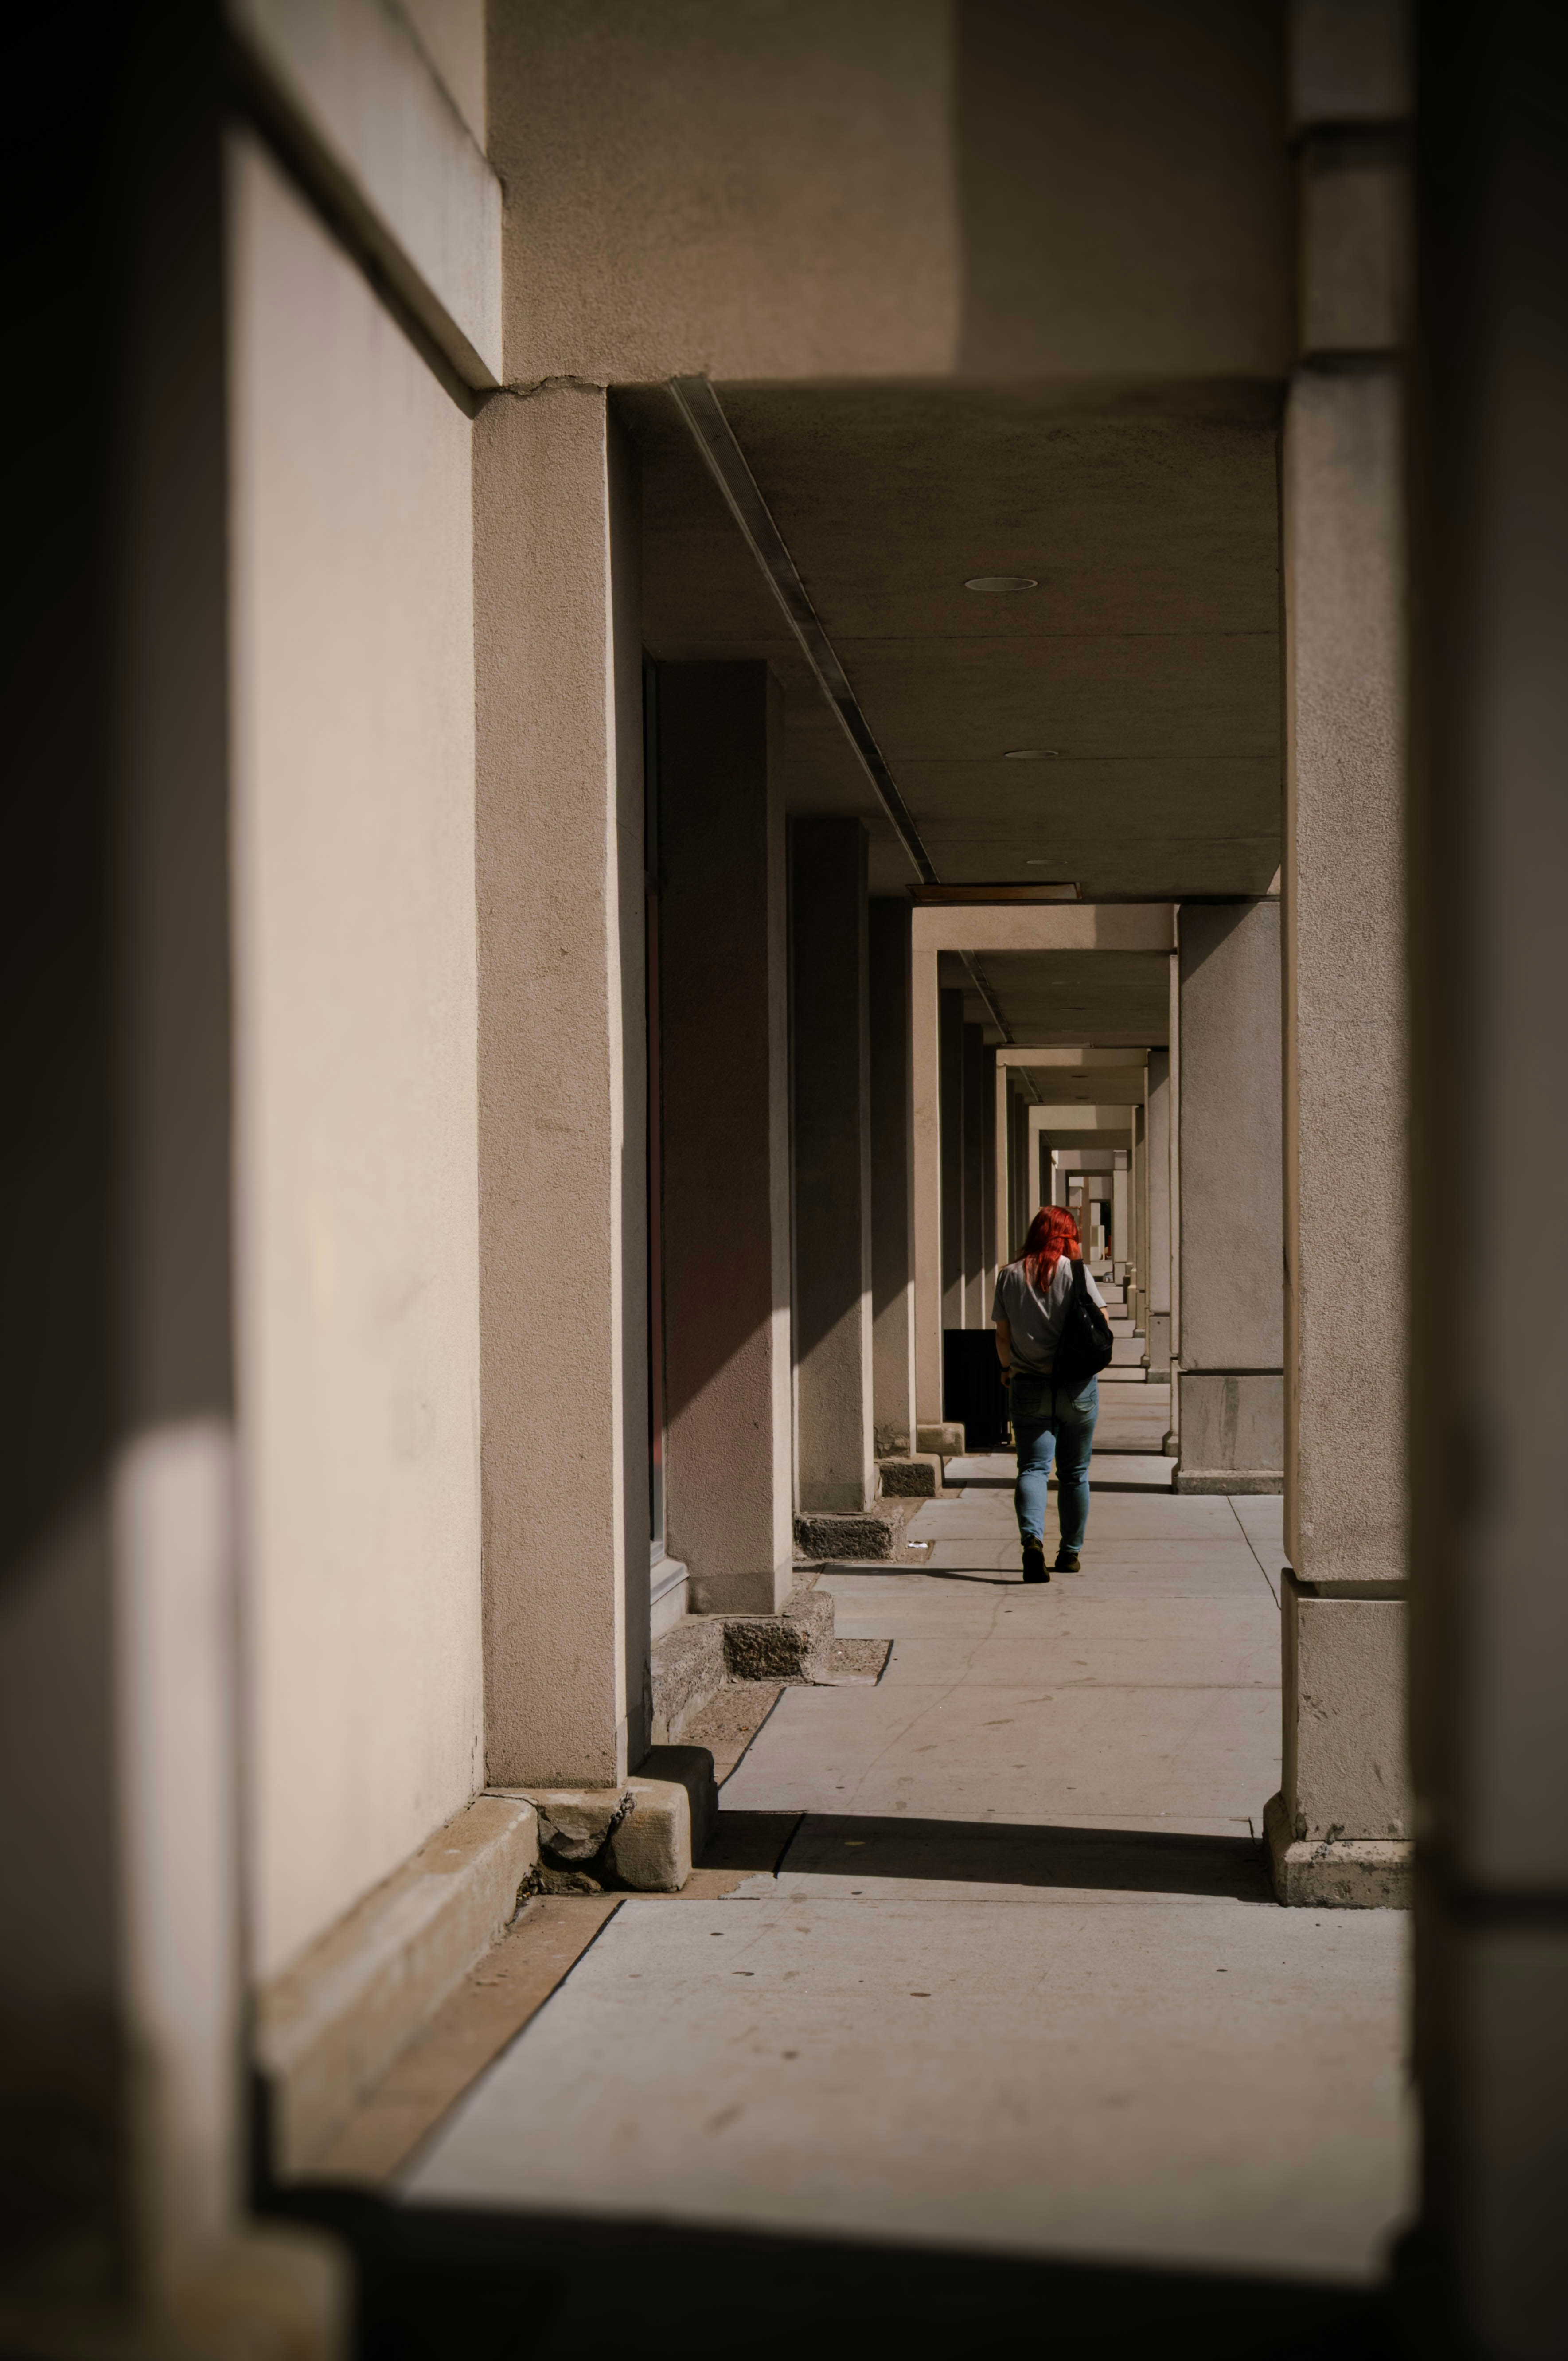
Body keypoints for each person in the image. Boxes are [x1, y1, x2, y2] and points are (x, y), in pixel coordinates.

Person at [991, 1204, 1104, 1583]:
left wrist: (1007, 1370)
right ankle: (1070, 1553)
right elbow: (1101, 1322)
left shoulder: (1009, 1275)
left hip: (1028, 1384)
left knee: (1033, 1468)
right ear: (1068, 1237)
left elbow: (1003, 1336)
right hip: (1077, 1388)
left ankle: (1032, 1542)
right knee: (1075, 1473)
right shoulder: (1076, 1273)